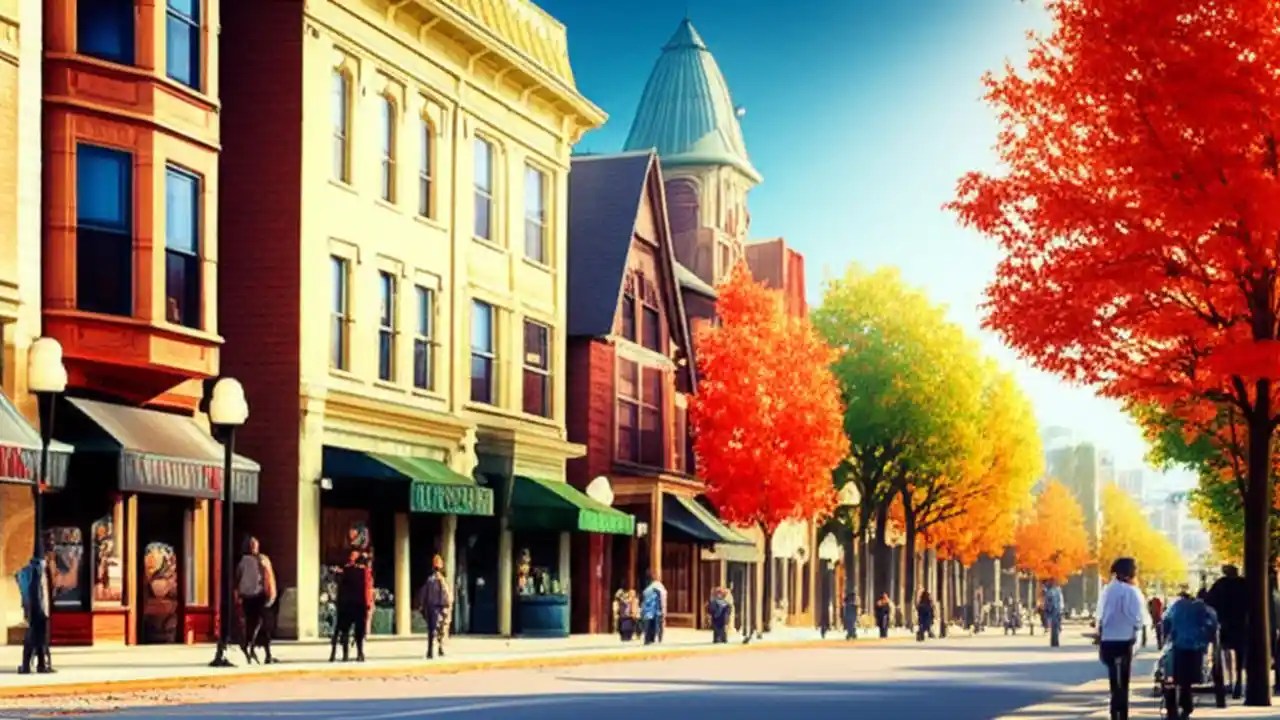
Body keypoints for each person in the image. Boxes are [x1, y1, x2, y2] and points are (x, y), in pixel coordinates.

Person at [1098, 557, 1145, 720]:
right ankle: (1123, 712)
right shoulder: (1133, 591)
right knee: (1124, 679)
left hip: (1108, 640)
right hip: (1126, 640)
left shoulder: (1106, 590)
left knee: (1113, 675)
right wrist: (1139, 628)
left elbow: (1100, 615)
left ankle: (1113, 708)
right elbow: (1138, 617)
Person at [1162, 590, 1218, 719]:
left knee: (1173, 677)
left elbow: (1166, 622)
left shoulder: (1176, 606)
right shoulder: (1205, 609)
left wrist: (1166, 638)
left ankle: (1175, 708)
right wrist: (1206, 641)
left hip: (1178, 645)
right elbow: (1212, 625)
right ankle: (1186, 706)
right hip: (1196, 647)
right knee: (1186, 680)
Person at [235, 536, 279, 665]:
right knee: (255, 624)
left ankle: (261, 651)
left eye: (254, 545)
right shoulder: (245, 561)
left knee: (261, 625)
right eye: (251, 545)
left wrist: (271, 593)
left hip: (259, 595)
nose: (253, 547)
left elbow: (268, 577)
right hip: (251, 596)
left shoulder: (261, 559)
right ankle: (251, 647)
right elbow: (238, 579)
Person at [1206, 564, 1247, 699]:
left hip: (1224, 622)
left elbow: (1209, 600)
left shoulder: (1220, 584)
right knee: (1240, 653)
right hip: (1241, 623)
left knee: (1225, 652)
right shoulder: (1243, 584)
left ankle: (1229, 680)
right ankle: (1239, 680)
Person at [330, 548, 373, 662]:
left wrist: (368, 603)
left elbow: (367, 588)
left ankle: (359, 653)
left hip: (357, 603)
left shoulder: (363, 571)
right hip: (349, 604)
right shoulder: (347, 570)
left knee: (358, 631)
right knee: (345, 630)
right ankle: (346, 654)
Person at [15, 554, 52, 674]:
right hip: (39, 610)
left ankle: (39, 664)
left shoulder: (29, 571)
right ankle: (33, 665)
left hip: (34, 609)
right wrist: (42, 611)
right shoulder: (39, 571)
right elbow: (39, 594)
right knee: (36, 637)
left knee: (38, 637)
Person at [416, 554, 451, 659]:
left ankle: (431, 650)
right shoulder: (440, 580)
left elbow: (423, 594)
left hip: (431, 607)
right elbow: (446, 595)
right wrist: (447, 606)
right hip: (438, 607)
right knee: (439, 629)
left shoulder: (430, 580)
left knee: (432, 630)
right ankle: (436, 649)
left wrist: (422, 605)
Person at [640, 571, 667, 645]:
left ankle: (648, 640)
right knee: (655, 626)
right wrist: (663, 610)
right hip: (655, 611)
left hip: (648, 611)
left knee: (648, 626)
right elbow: (662, 600)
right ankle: (656, 639)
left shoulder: (647, 590)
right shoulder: (658, 588)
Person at [1044, 579, 1064, 647]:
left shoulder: (1051, 591)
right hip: (1055, 610)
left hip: (1054, 610)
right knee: (1055, 627)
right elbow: (1060, 601)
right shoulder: (1056, 591)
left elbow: (1048, 602)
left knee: (1054, 627)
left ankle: (1054, 642)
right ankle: (1055, 642)